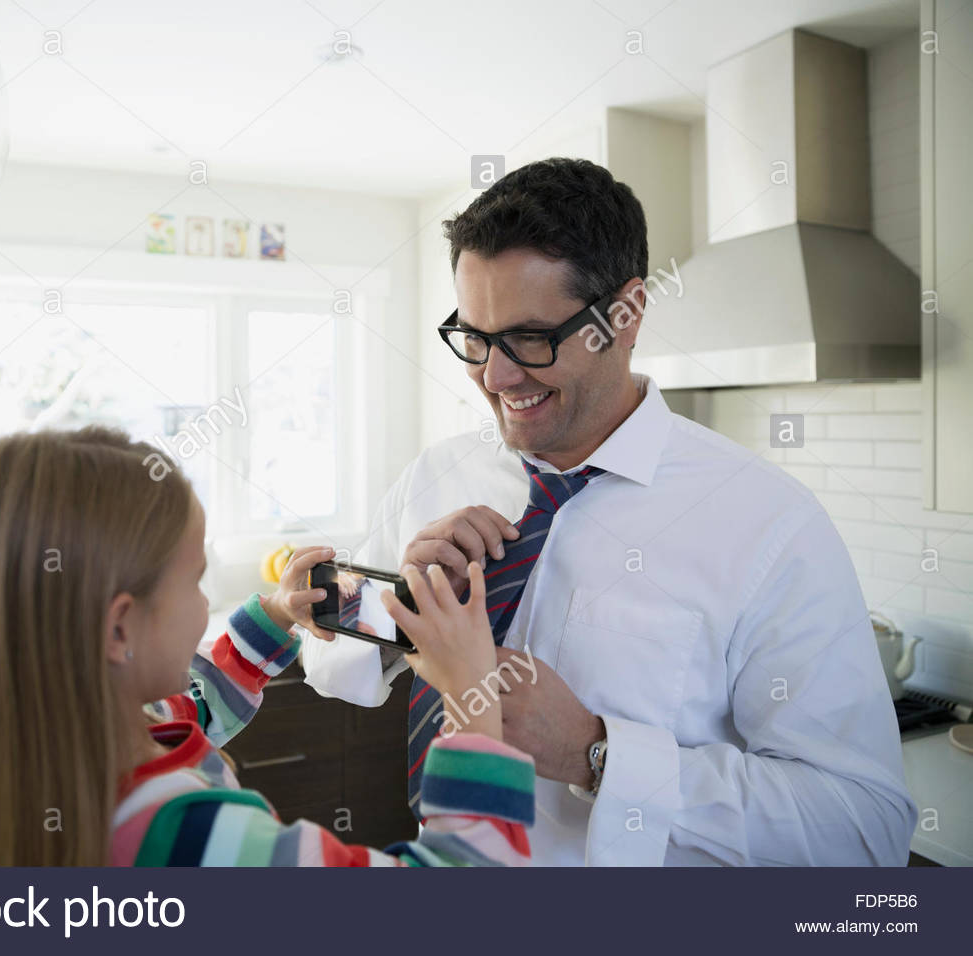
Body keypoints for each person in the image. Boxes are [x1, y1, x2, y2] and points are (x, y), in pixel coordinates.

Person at [300, 158, 917, 866]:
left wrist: (596, 751)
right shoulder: (439, 473)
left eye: (531, 339)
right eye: (475, 338)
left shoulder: (771, 526)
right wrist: (377, 603)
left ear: (625, 316)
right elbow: (336, 673)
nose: (496, 379)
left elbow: (865, 832)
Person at [0, 426, 536, 867]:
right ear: (118, 630)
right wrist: (471, 697)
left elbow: (198, 705)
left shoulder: (56, 758)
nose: (204, 599)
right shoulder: (195, 839)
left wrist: (276, 612)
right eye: (194, 580)